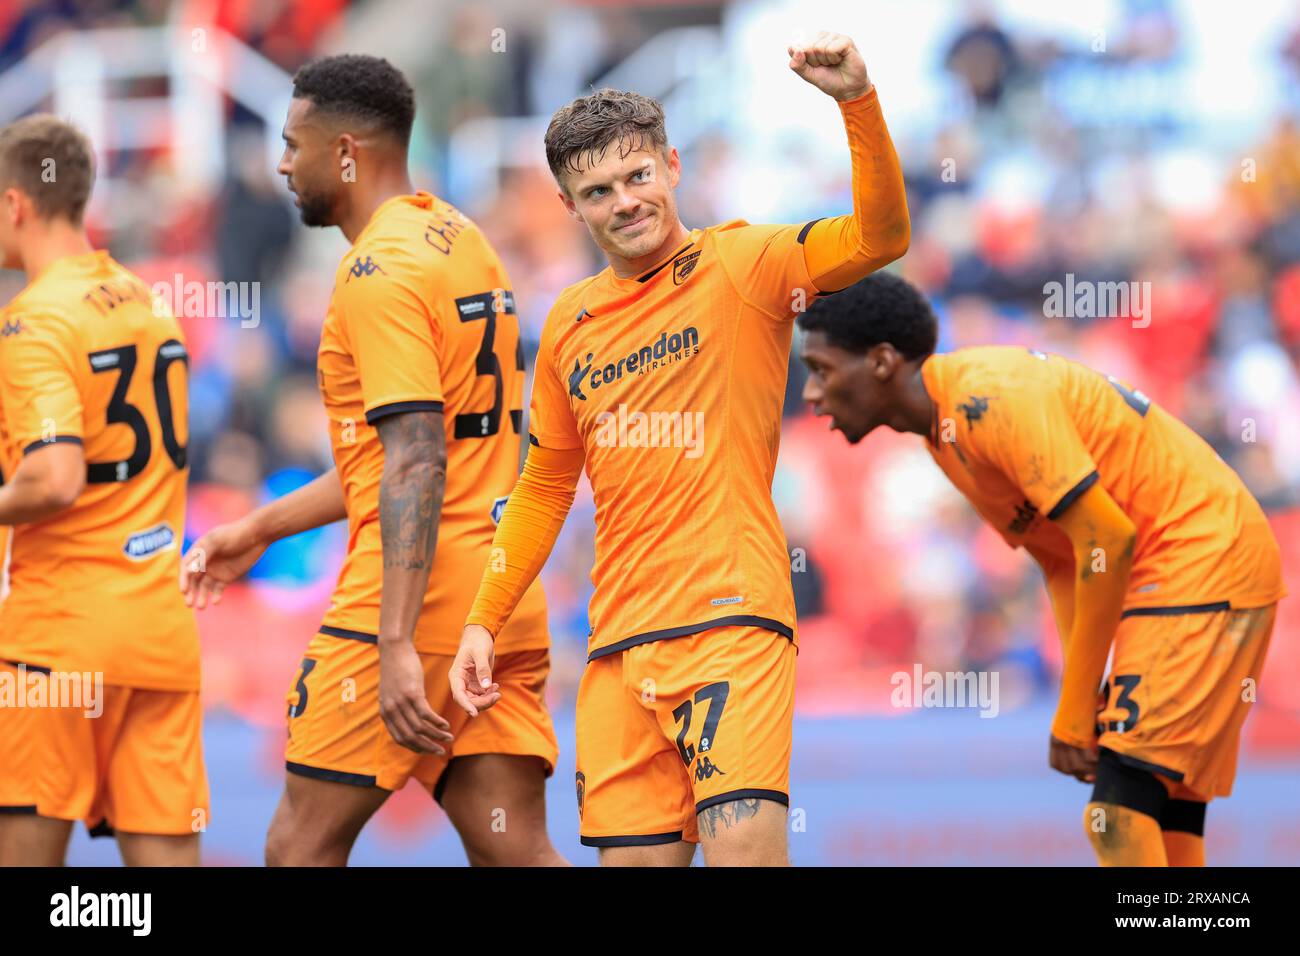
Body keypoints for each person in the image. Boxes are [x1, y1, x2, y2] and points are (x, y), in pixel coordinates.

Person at [451, 32, 910, 865]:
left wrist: (856, 103)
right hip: (618, 649)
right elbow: (546, 487)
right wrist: (484, 618)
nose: (625, 201)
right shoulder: (567, 323)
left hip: (732, 624)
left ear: (671, 164)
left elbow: (880, 238)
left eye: (636, 176)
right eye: (597, 191)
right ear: (569, 206)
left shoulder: (746, 264)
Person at [180, 55, 564, 867]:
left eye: (293, 144)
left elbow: (418, 463)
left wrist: (393, 644)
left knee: (298, 849)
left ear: (346, 152)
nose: (282, 163)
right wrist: (257, 528)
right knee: (519, 854)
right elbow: (390, 458)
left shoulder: (376, 271)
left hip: (408, 608)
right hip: (496, 600)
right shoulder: (462, 239)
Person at [796, 272, 1285, 866]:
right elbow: (1062, 557)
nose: (811, 394)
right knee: (1165, 812)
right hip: (1194, 561)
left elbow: (1106, 537)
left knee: (1116, 815)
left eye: (821, 369)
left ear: (880, 361)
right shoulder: (945, 434)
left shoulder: (986, 401)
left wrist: (1078, 709)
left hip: (1201, 556)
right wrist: (1081, 692)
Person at [0, 115, 206, 866]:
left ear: (16, 204)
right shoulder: (150, 304)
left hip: (58, 640)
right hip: (158, 633)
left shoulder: (31, 324)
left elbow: (55, 478)